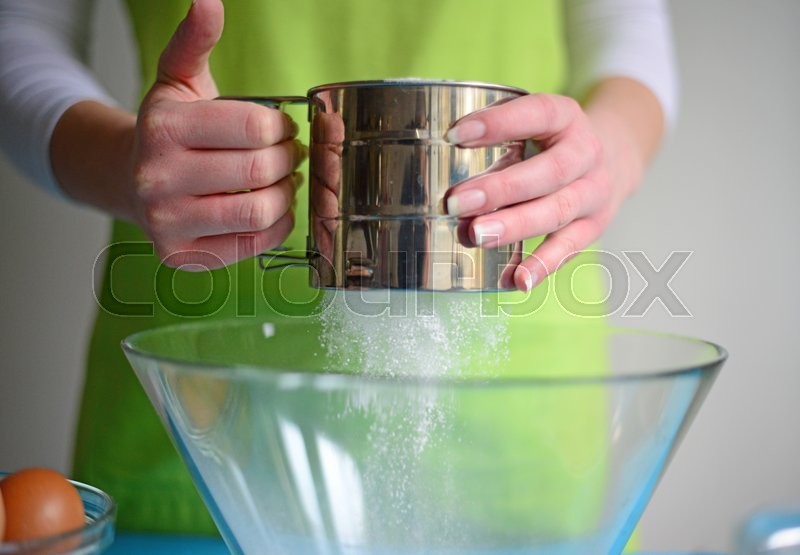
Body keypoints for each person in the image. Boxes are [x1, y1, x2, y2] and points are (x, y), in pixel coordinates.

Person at [0, 0, 676, 538]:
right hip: (207, 436)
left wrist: (603, 155)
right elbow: (21, 30)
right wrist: (123, 162)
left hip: (523, 420)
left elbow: (628, 28)